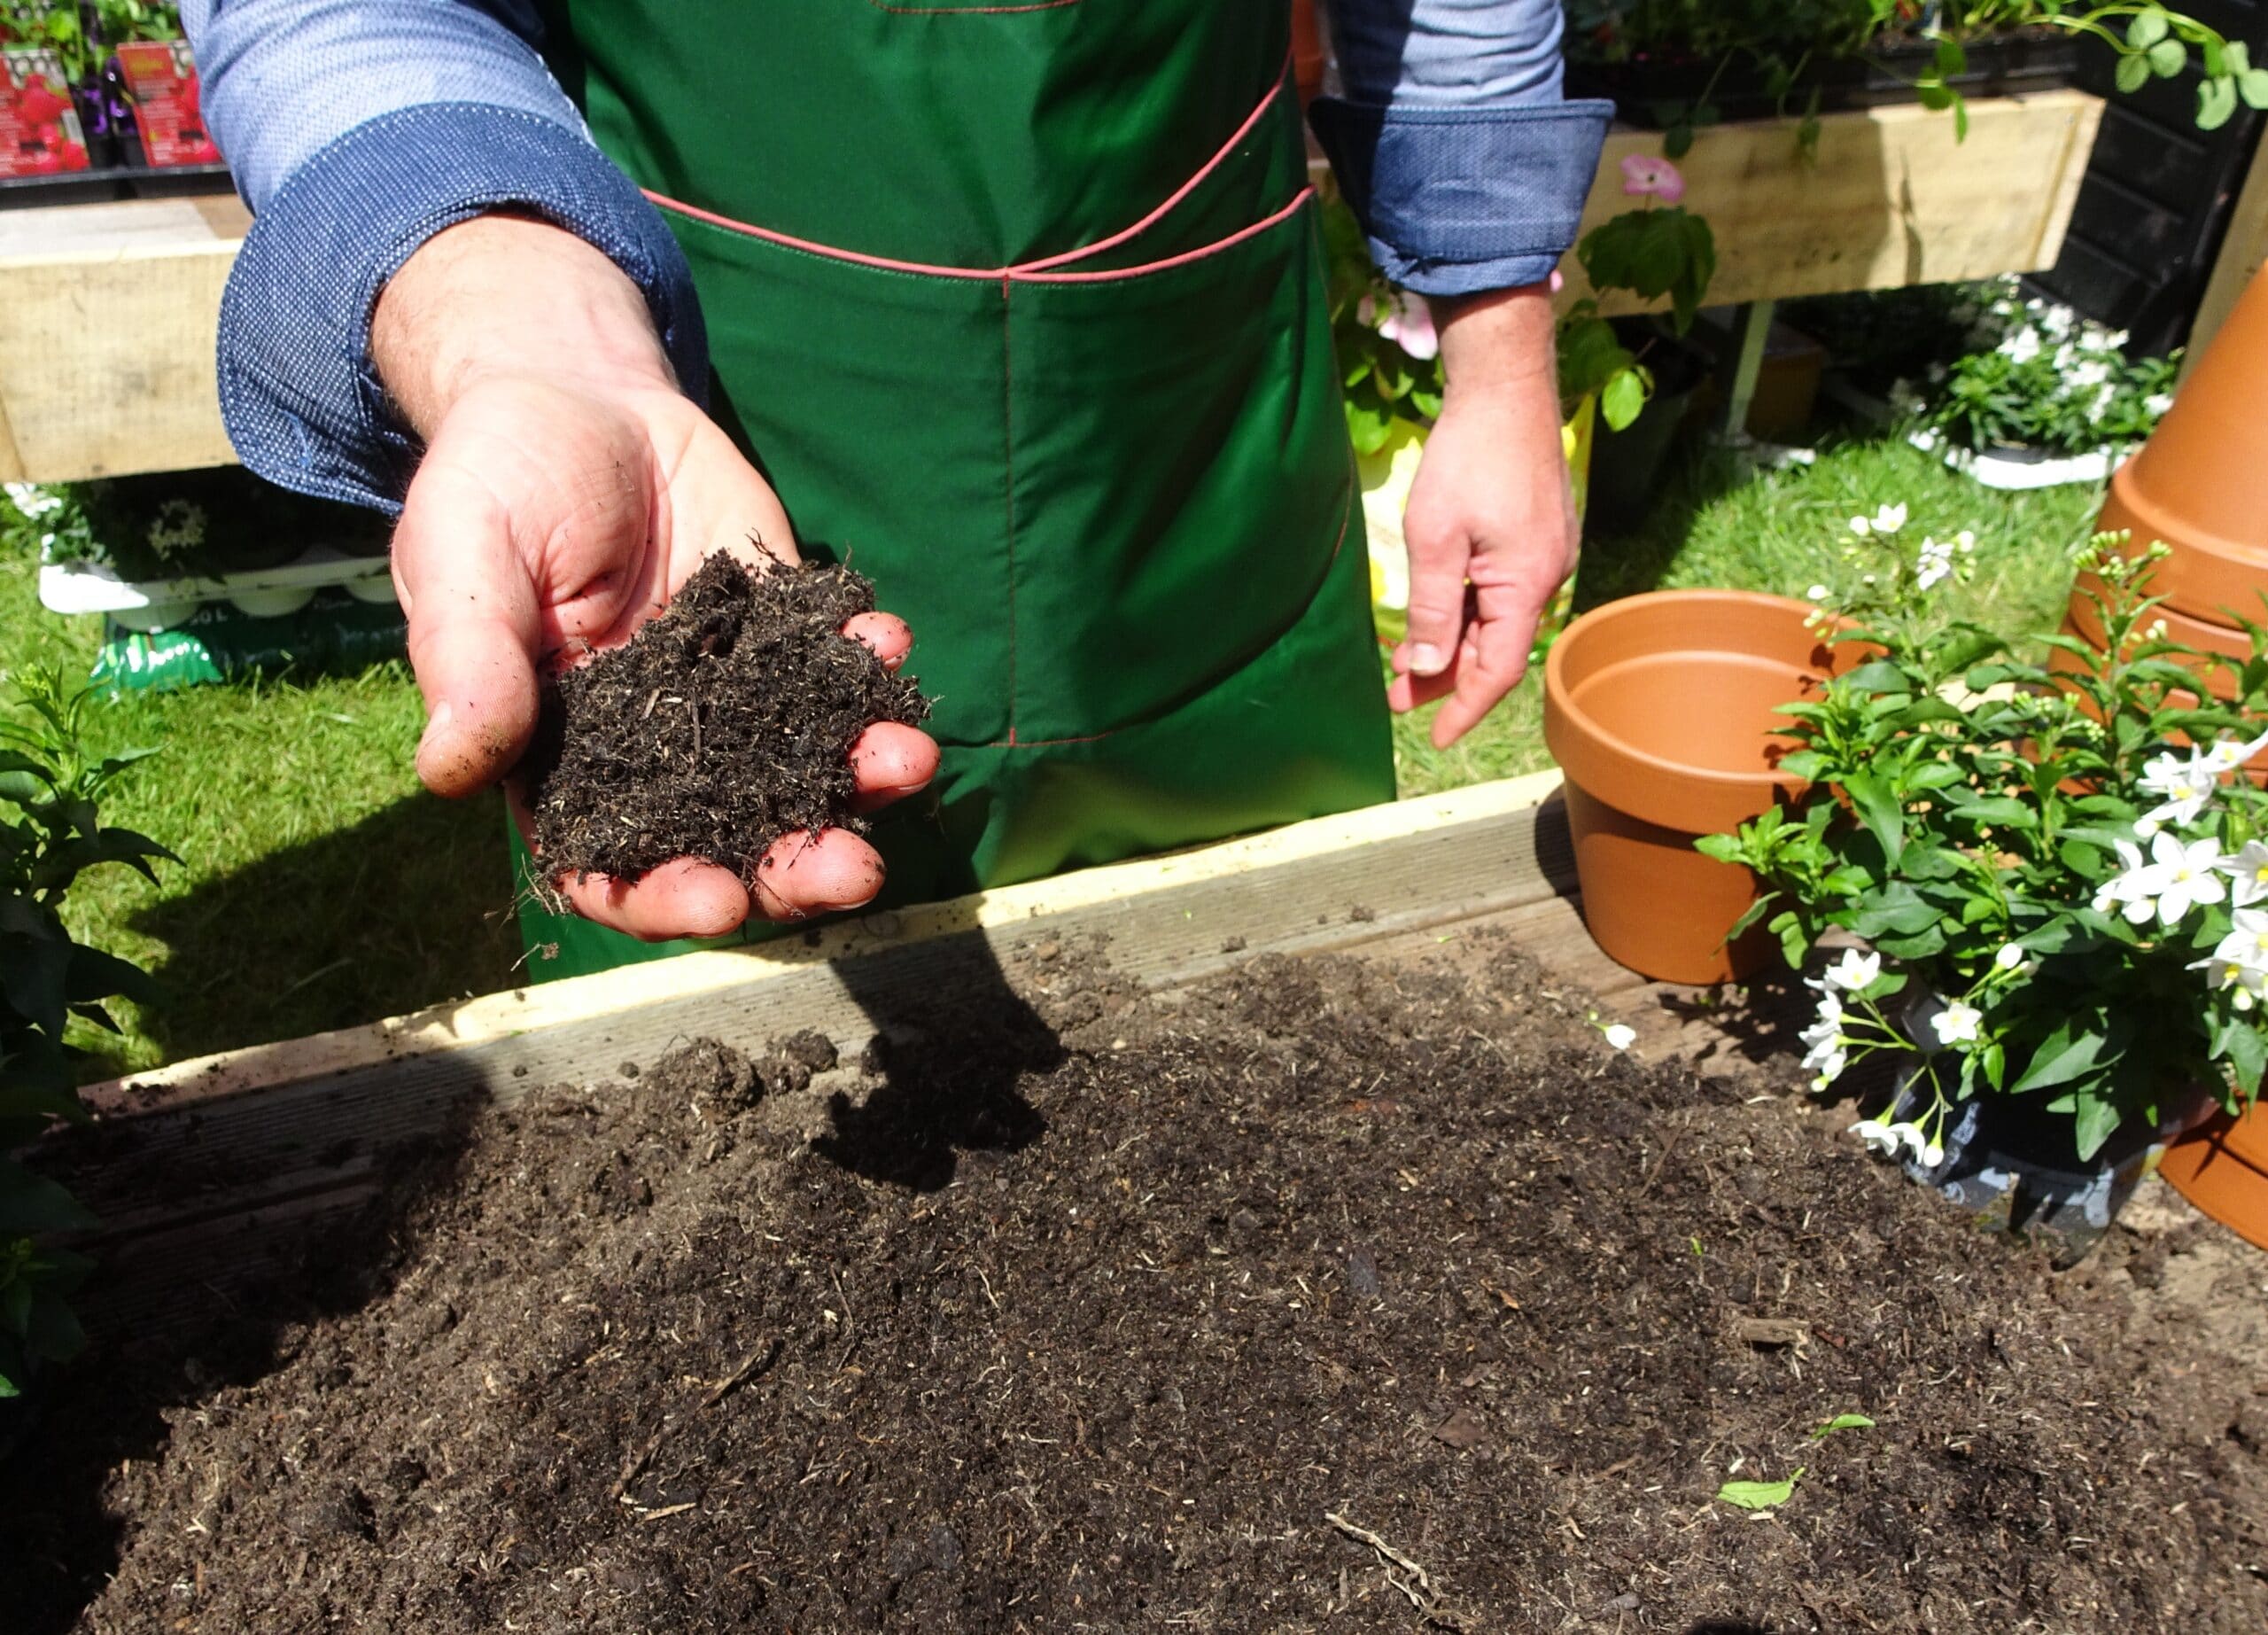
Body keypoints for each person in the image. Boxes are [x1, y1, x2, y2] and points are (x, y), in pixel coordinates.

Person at [182, 1, 1609, 977]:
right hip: (729, 414)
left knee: (1288, 1018)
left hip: (1191, 417)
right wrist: (527, 332)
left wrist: (1498, 350)